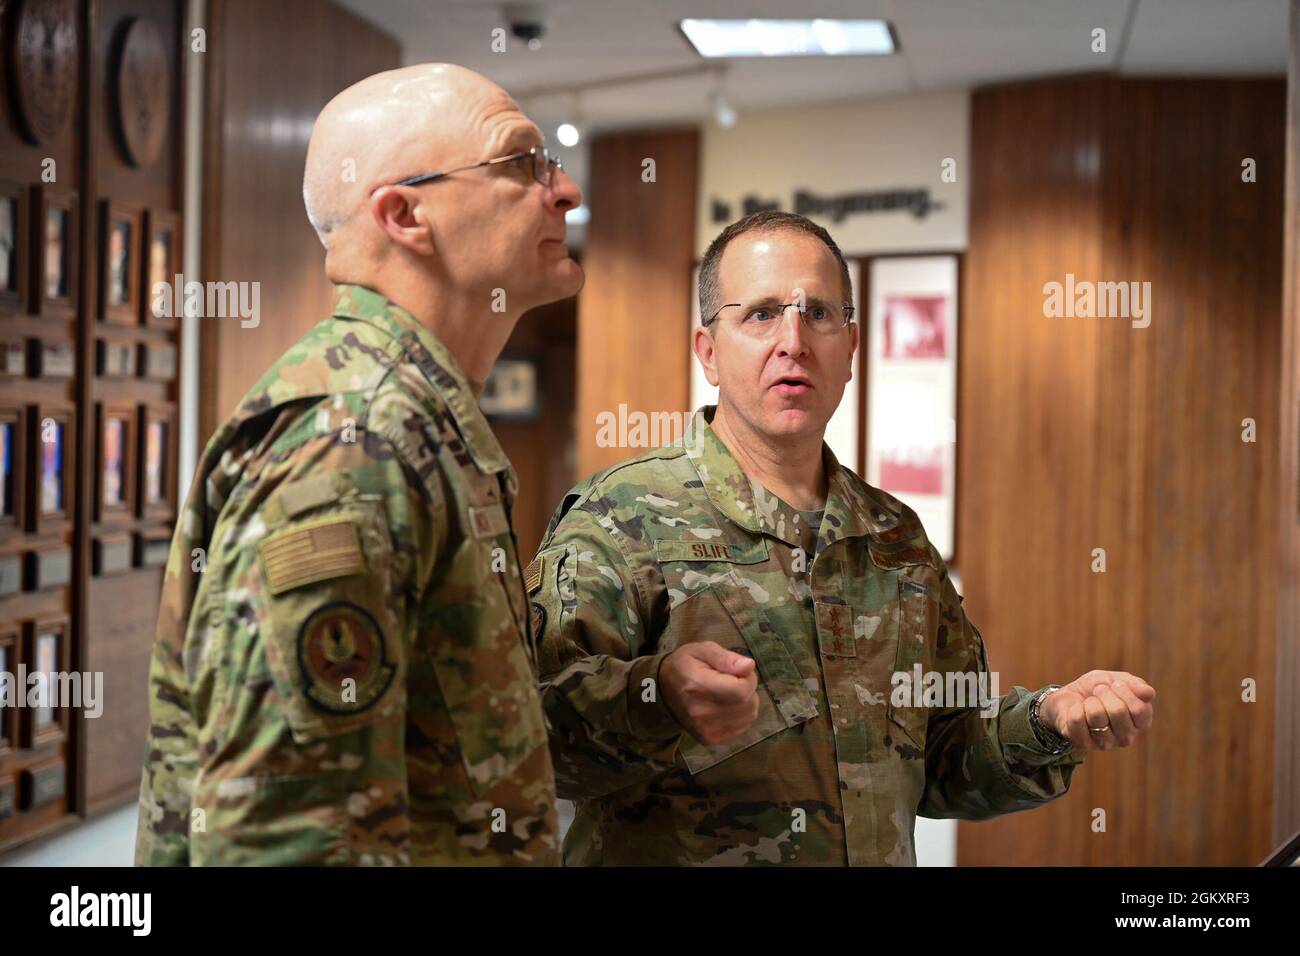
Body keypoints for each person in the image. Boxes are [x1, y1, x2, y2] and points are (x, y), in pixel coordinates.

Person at [528, 210, 1155, 866]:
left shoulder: (894, 537)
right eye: (761, 314)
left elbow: (941, 755)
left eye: (819, 314)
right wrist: (652, 696)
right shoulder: (621, 516)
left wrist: (1046, 722)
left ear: (851, 349)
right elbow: (529, 741)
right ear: (708, 352)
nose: (793, 341)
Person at [135, 63, 583, 865]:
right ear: (406, 215)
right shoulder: (356, 438)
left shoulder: (413, 416)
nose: (566, 190)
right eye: (523, 163)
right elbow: (285, 839)